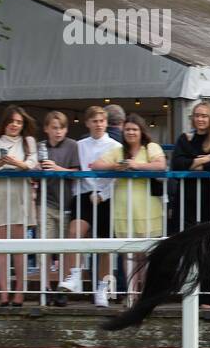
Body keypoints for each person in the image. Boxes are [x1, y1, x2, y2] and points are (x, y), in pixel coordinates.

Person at [93, 114, 166, 301]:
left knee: (145, 253)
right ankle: (132, 294)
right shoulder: (119, 150)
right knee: (128, 253)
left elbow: (161, 165)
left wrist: (136, 165)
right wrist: (117, 166)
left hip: (147, 208)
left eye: (134, 129)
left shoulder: (150, 147)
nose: (131, 133)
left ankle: (144, 294)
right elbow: (96, 165)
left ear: (141, 131)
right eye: (127, 130)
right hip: (123, 209)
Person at [58, 106, 121, 307]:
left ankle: (102, 289)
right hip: (83, 195)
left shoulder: (115, 145)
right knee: (75, 233)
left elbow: (117, 177)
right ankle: (74, 275)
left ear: (106, 123)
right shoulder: (80, 145)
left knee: (104, 245)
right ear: (87, 123)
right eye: (94, 121)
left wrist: (103, 195)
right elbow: (76, 170)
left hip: (106, 197)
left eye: (101, 121)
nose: (98, 124)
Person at [170, 101, 210, 306]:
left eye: (204, 115)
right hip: (186, 201)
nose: (200, 119)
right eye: (197, 115)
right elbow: (176, 165)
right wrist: (201, 160)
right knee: (189, 248)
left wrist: (193, 162)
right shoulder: (184, 139)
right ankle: (191, 296)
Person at [0, 106, 38, 307]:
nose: (15, 125)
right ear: (4, 122)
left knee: (19, 248)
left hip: (19, 195)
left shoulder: (28, 142)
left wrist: (18, 163)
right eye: (12, 121)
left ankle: (19, 293)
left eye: (19, 122)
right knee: (0, 248)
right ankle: (4, 293)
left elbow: (33, 163)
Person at [36, 111, 82, 306]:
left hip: (65, 203)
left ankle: (61, 288)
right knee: (44, 246)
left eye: (61, 128)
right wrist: (36, 170)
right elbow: (34, 172)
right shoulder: (41, 147)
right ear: (46, 129)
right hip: (44, 201)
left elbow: (77, 172)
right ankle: (45, 287)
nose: (58, 132)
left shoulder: (72, 145)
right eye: (54, 128)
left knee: (64, 248)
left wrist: (57, 169)